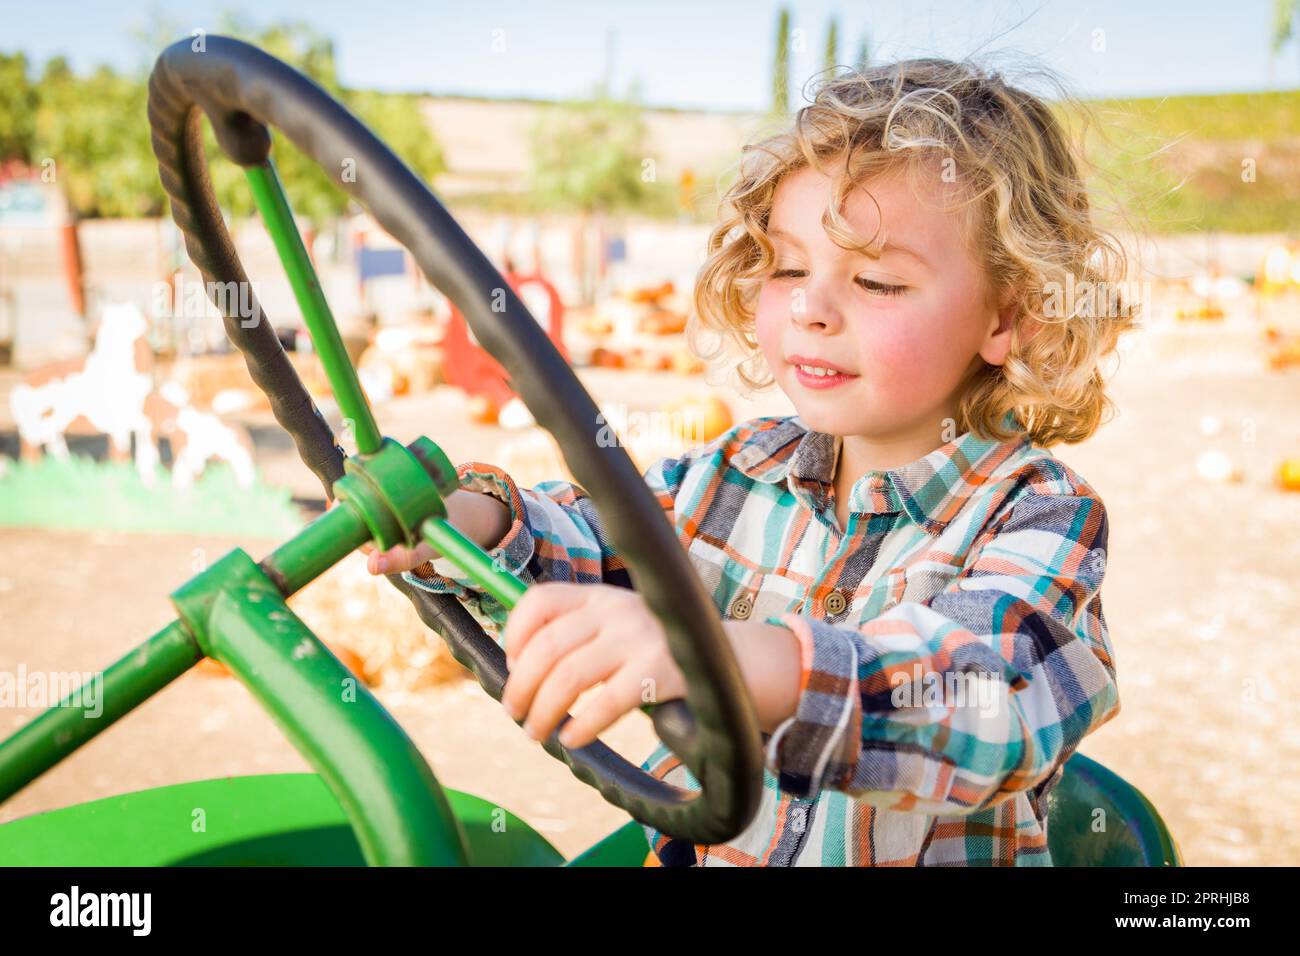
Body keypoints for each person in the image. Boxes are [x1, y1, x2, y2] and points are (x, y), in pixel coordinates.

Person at [369, 57, 1134, 865]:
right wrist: (472, 521)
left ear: (1007, 317)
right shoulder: (735, 473)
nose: (810, 307)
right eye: (789, 267)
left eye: (875, 280)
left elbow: (987, 704)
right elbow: (594, 544)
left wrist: (725, 657)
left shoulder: (1040, 513)